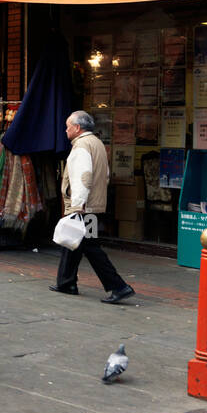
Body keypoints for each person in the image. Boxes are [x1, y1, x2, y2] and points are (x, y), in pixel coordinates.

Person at [53, 110, 135, 304]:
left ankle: (119, 286)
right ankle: (66, 282)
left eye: (68, 127)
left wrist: (78, 204)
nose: (66, 131)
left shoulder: (81, 146)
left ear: (77, 128)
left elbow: (83, 177)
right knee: (73, 242)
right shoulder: (97, 143)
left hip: (84, 207)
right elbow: (105, 174)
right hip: (92, 205)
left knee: (90, 246)